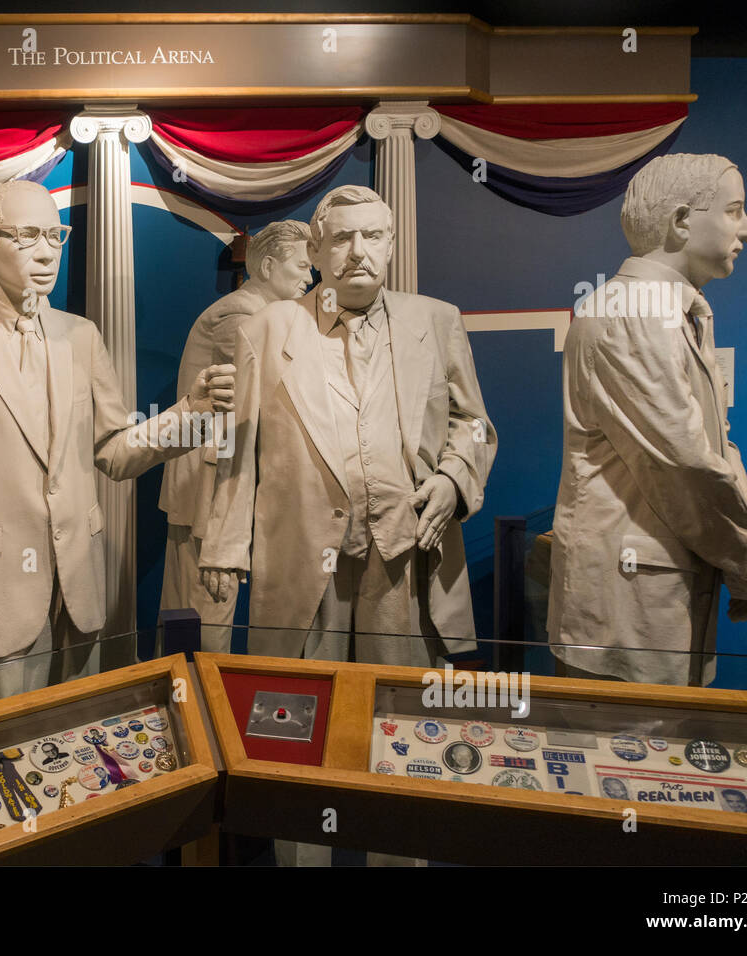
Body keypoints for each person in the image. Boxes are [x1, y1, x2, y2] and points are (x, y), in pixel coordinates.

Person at [199, 184, 497, 867]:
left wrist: (454, 477)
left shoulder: (436, 320)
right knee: (299, 734)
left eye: (373, 236)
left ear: (391, 243)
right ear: (318, 249)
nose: (358, 251)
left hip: (407, 562)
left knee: (403, 735)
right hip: (303, 561)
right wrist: (225, 546)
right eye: (341, 238)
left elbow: (474, 423)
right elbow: (236, 450)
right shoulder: (268, 330)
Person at [0, 180, 235, 719]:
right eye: (27, 236)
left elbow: (115, 453)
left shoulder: (79, 336)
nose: (47, 251)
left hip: (78, 596)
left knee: (74, 755)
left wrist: (187, 416)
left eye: (55, 235)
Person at [548, 154, 747, 687]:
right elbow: (684, 465)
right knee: (629, 756)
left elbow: (711, 449)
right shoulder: (636, 312)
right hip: (627, 610)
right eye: (733, 211)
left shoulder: (670, 309)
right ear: (682, 221)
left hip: (651, 594)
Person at [157, 220, 313, 651]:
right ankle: (200, 703)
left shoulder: (257, 314)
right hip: (210, 482)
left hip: (218, 477)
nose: (310, 277)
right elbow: (266, 396)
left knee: (192, 606)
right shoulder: (239, 316)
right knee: (206, 606)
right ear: (266, 265)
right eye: (302, 265)